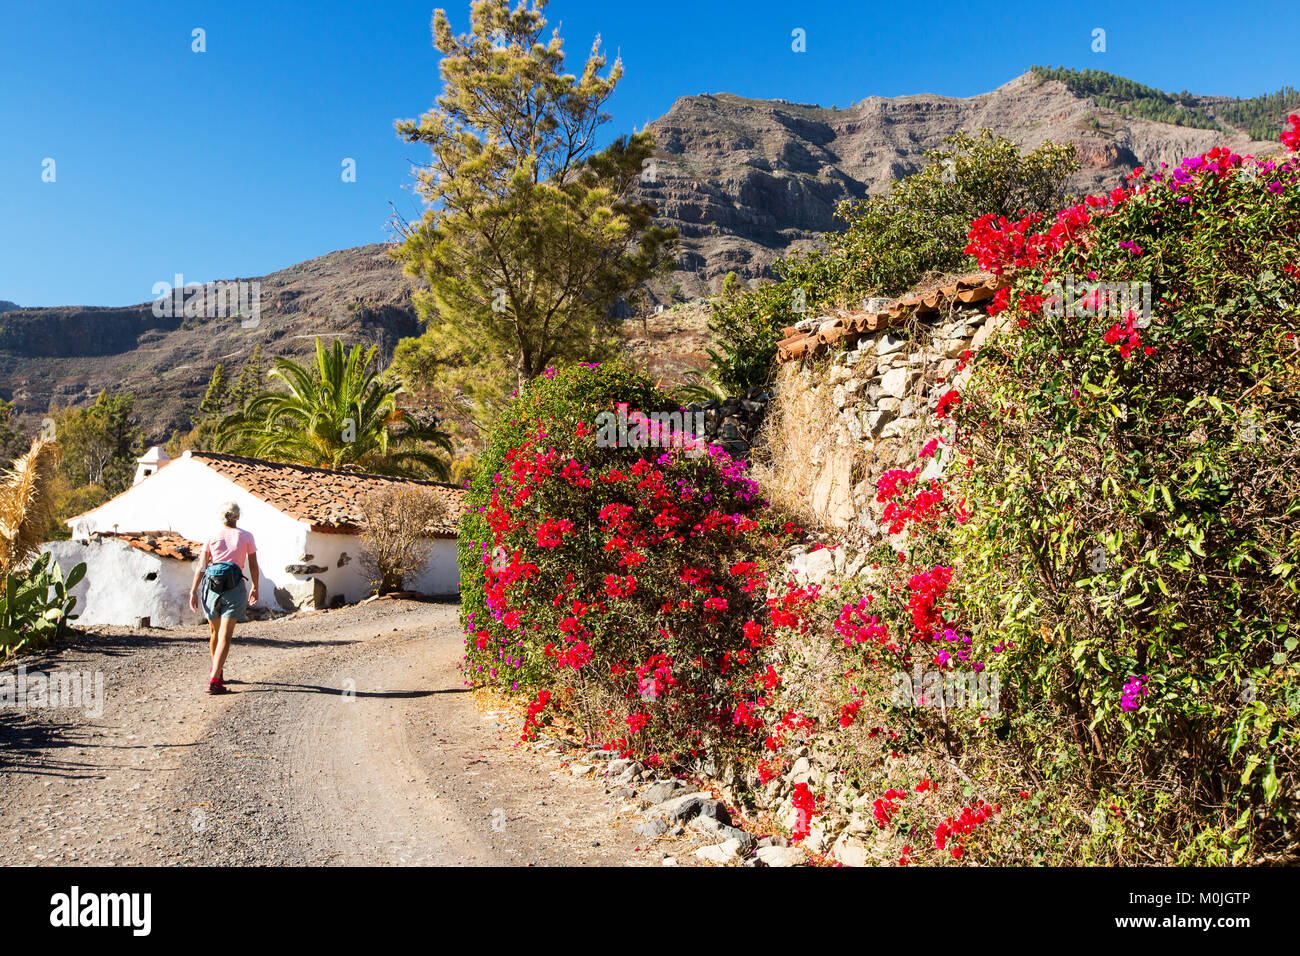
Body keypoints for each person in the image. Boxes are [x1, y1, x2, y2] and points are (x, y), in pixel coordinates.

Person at [189, 501, 259, 694]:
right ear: (238, 516)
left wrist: (193, 590)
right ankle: (214, 679)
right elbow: (253, 565)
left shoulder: (211, 536)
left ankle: (217, 674)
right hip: (234, 588)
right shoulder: (246, 536)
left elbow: (202, 566)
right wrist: (255, 586)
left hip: (211, 588)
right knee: (225, 637)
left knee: (214, 634)